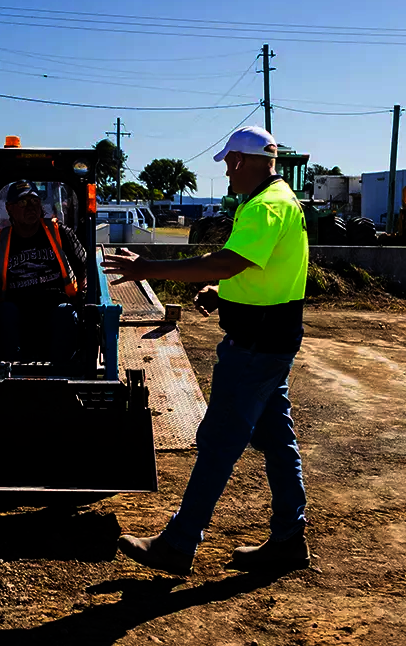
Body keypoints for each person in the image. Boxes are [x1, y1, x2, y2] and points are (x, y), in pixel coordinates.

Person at [102, 125, 309, 576]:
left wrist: (149, 267)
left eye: (229, 164)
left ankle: (178, 544)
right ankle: (289, 538)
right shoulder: (280, 200)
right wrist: (223, 294)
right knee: (277, 439)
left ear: (240, 160)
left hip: (254, 347)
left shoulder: (264, 207)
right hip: (272, 341)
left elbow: (229, 261)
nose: (228, 174)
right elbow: (261, 271)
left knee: (218, 442)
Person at [0, 179, 87, 368]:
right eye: (23, 202)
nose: (31, 207)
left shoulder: (59, 232)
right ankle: (8, 370)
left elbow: (84, 265)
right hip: (18, 306)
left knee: (65, 313)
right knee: (5, 312)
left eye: (34, 201)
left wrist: (83, 296)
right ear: (9, 208)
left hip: (55, 303)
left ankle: (62, 371)